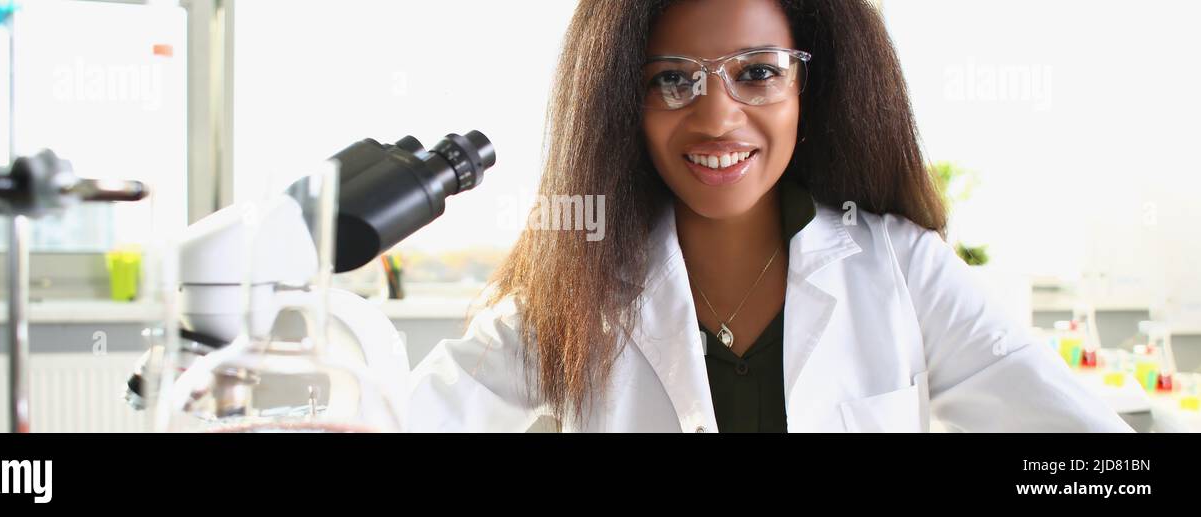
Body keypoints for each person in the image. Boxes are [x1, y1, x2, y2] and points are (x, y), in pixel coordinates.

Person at [408, 0, 1132, 433]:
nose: (718, 116)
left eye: (757, 72)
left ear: (807, 89)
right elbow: (407, 417)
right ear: (624, 104)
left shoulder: (901, 268)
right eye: (672, 79)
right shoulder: (578, 286)